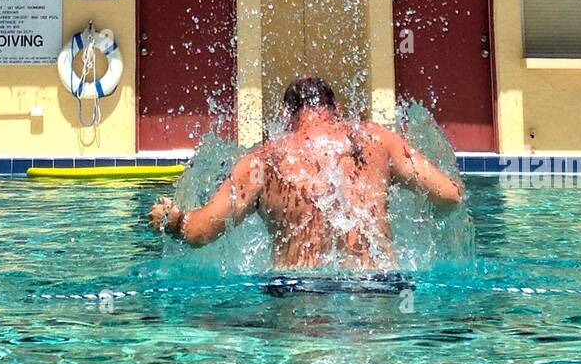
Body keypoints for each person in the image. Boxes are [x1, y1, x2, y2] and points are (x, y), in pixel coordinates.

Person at [148, 77, 462, 271]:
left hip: (298, 294)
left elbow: (199, 232)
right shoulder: (380, 142)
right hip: (377, 288)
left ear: (285, 116)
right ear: (336, 108)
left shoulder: (263, 160)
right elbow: (450, 196)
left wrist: (172, 219)